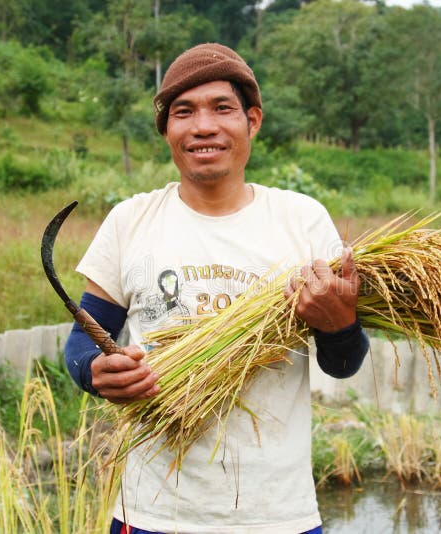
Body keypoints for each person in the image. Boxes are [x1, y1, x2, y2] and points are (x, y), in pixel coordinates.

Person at [64, 43, 370, 534]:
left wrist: (341, 325)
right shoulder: (131, 220)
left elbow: (343, 363)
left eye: (221, 109)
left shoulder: (302, 220)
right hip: (152, 512)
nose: (203, 126)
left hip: (278, 515)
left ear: (253, 120)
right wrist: (95, 371)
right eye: (183, 112)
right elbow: (82, 339)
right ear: (166, 129)